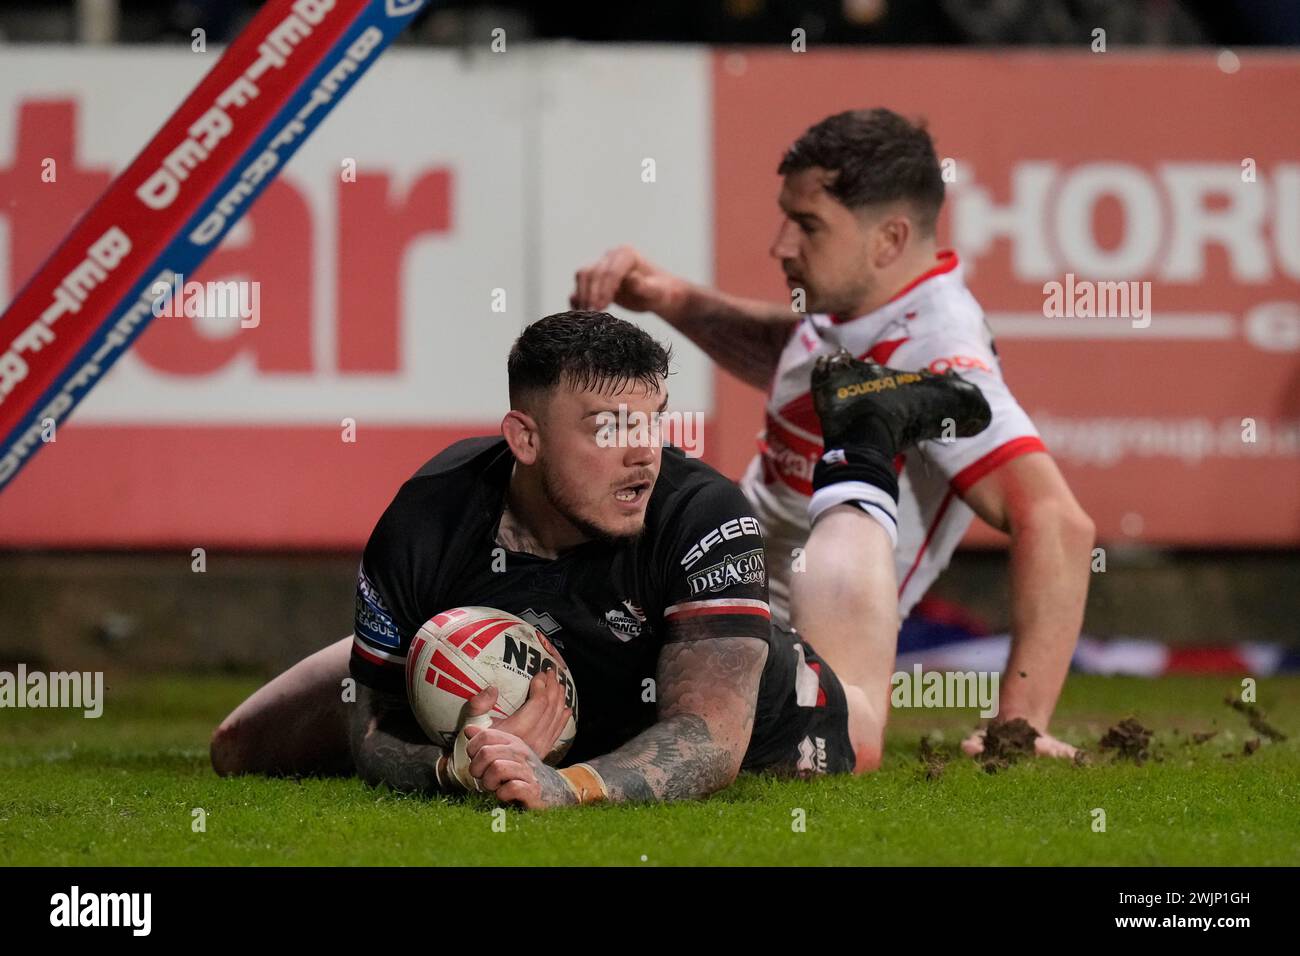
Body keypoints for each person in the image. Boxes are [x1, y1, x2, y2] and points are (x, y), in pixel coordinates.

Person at [210, 310, 990, 806]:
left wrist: (569, 784)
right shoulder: (427, 518)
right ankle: (440, 656)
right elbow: (368, 728)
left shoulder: (700, 514)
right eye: (608, 428)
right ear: (524, 437)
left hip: (748, 696)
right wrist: (454, 765)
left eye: (651, 423)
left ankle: (865, 437)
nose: (642, 455)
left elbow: (709, 737)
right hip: (514, 633)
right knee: (235, 749)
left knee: (867, 722)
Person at [570, 108, 1095, 761]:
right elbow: (793, 363)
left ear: (889, 239)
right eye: (786, 216)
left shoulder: (938, 347)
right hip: (712, 590)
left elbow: (1057, 522)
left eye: (808, 226)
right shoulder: (853, 307)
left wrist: (1021, 723)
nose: (780, 245)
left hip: (785, 652)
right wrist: (669, 297)